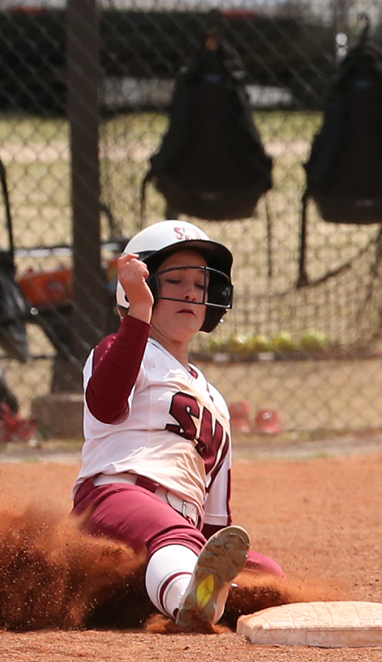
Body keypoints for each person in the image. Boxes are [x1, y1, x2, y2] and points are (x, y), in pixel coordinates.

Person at [71, 221, 286, 631]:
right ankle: (191, 600)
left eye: (200, 283)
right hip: (114, 500)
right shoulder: (124, 348)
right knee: (173, 534)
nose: (190, 291)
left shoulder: (217, 403)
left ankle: (190, 594)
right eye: (174, 281)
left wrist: (218, 556)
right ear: (141, 289)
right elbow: (105, 404)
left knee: (266, 573)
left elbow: (215, 525)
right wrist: (139, 313)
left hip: (180, 539)